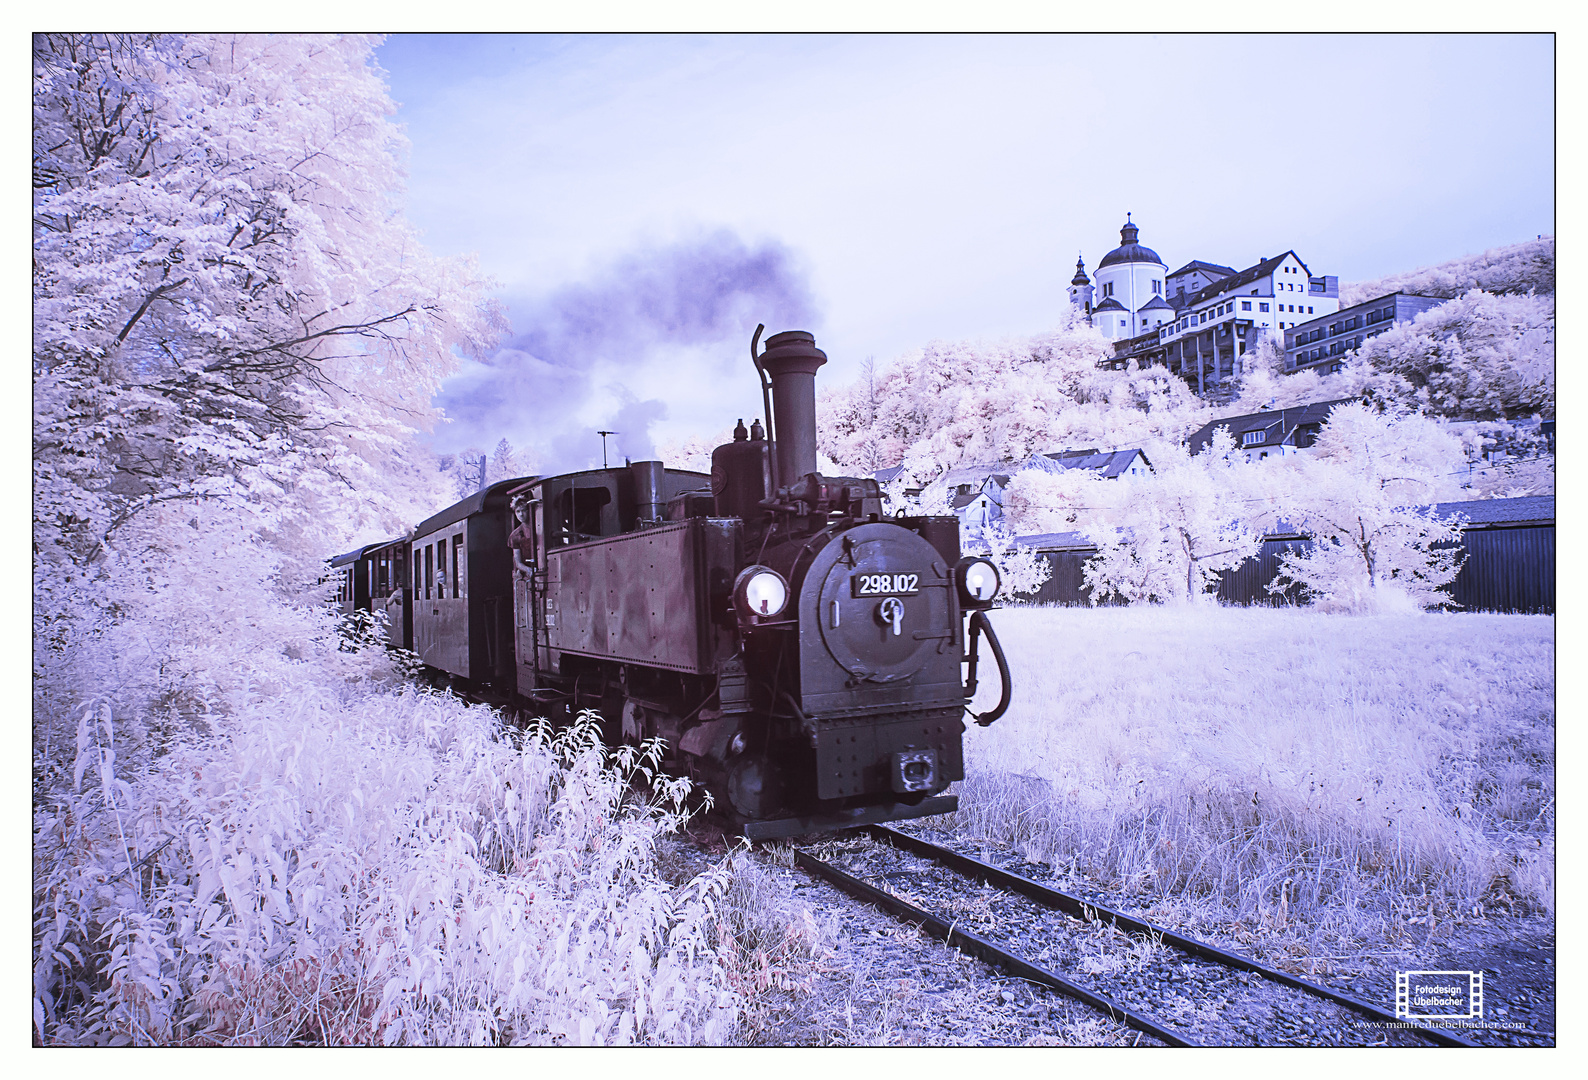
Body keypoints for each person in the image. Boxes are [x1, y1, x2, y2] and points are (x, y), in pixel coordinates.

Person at [508, 495, 536, 576]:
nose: (521, 514)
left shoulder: (539, 527)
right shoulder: (515, 535)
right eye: (518, 511)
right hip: (527, 574)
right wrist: (528, 569)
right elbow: (518, 562)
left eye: (523, 510)